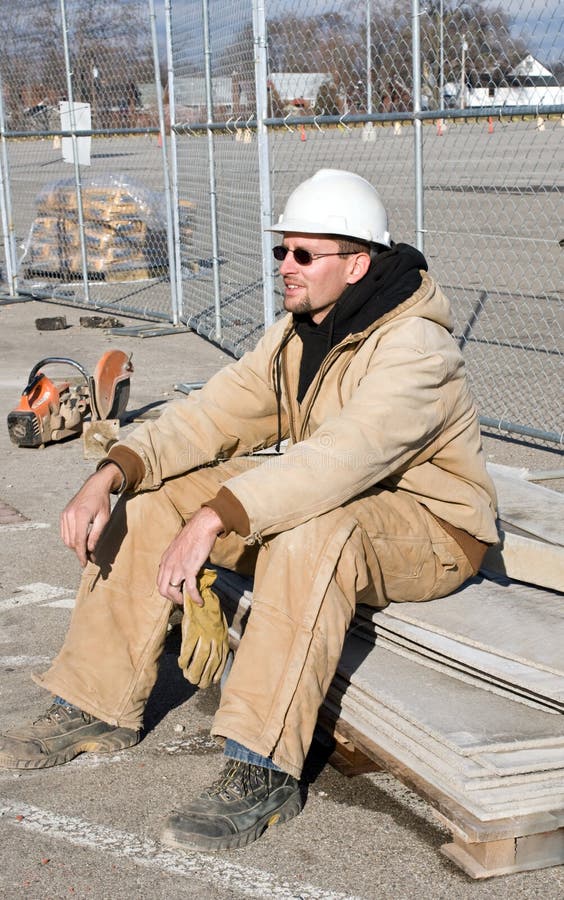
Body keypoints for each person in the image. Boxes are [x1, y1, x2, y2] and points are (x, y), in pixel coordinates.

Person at [0, 169, 498, 851]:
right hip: (342, 499)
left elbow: (342, 459)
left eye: (304, 254)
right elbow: (212, 414)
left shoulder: (416, 347)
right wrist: (112, 472)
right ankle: (92, 704)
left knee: (309, 532)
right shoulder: (298, 334)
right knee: (160, 495)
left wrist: (214, 518)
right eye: (281, 252)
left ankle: (260, 770)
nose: (285, 267)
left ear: (357, 264)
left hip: (430, 528)